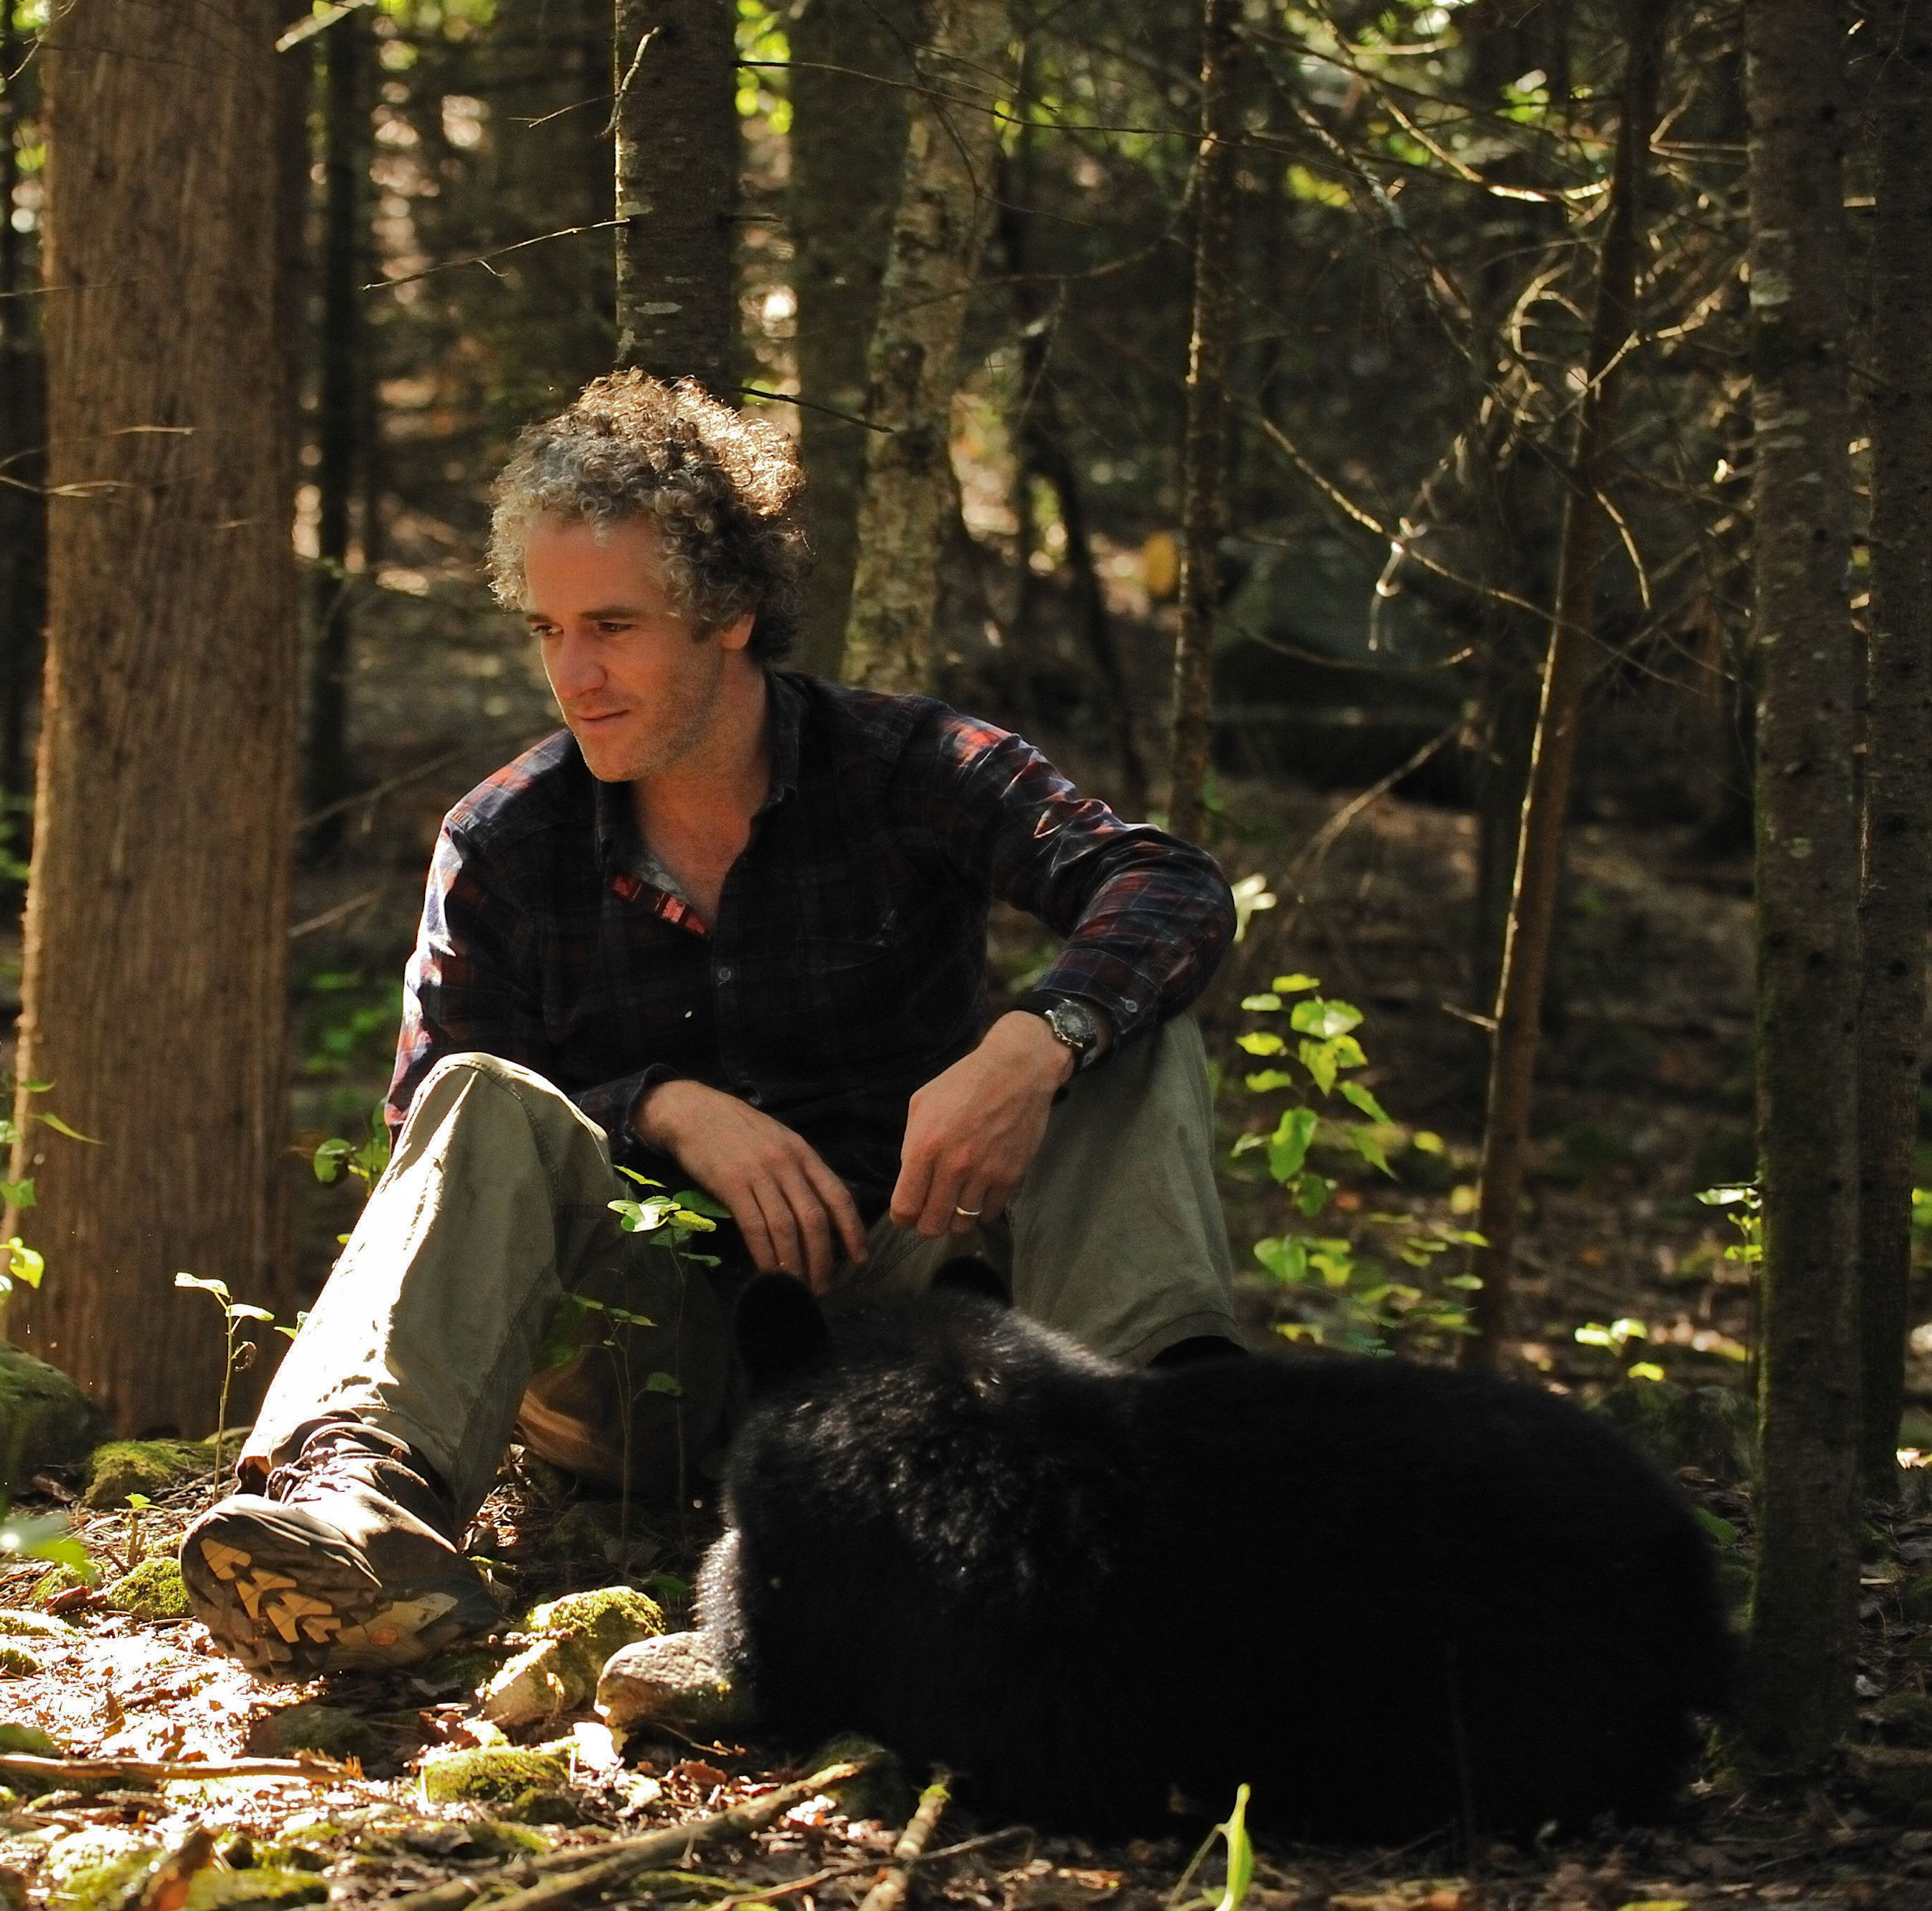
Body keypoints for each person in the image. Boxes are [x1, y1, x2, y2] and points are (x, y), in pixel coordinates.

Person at [180, 371, 1243, 1674]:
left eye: (615, 625)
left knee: (1128, 1037)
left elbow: (1170, 884)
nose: (576, 674)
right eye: (549, 629)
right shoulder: (505, 839)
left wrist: (1032, 1044)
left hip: (913, 1327)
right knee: (480, 1093)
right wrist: (666, 1108)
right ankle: (359, 1508)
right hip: (635, 1362)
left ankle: (1183, 1484)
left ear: (732, 611)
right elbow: (426, 1120)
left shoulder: (906, 767)